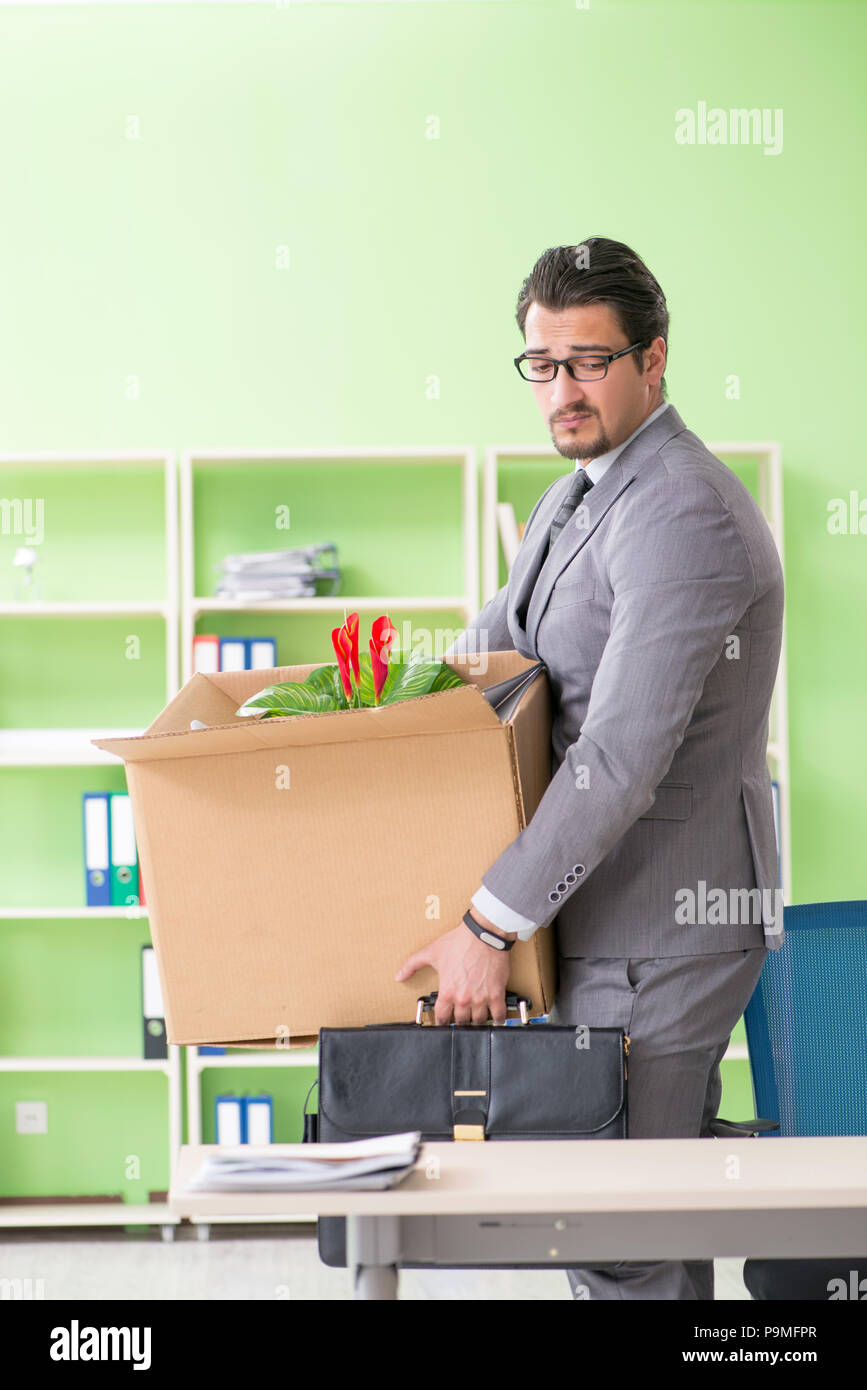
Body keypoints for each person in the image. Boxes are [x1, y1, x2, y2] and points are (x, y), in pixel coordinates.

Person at [395, 236, 785, 1300]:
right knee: (639, 1222)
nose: (561, 391)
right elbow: (503, 641)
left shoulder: (682, 512)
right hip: (601, 919)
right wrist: (367, 700)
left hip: (666, 928)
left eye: (589, 362)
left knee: (619, 1237)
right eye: (542, 364)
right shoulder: (580, 492)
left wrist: (486, 927)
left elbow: (617, 758)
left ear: (655, 359)